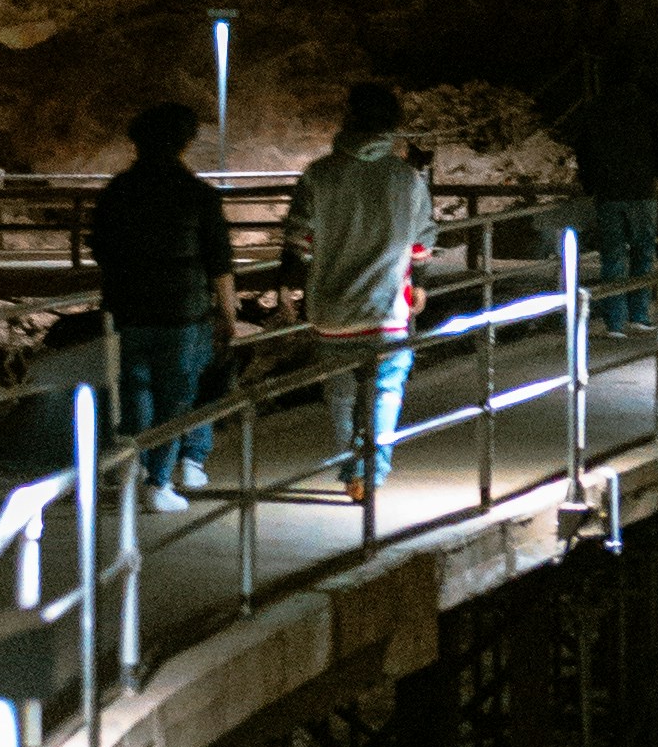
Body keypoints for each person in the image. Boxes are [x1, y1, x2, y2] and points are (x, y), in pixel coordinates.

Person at [273, 80, 436, 502]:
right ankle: (371, 469)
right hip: (387, 308)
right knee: (386, 389)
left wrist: (288, 288)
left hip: (332, 308)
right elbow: (421, 242)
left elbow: (299, 239)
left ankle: (353, 471)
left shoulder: (320, 174)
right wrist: (418, 284)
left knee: (341, 396)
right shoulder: (406, 178)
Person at [86, 100, 237, 506]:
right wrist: (227, 313)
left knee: (136, 388)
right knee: (176, 396)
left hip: (129, 307)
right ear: (184, 143)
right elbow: (219, 261)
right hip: (182, 310)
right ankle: (158, 482)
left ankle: (133, 461)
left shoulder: (117, 192)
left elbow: (100, 248)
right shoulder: (196, 194)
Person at [569, 56, 658, 348]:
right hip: (640, 190)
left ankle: (615, 321)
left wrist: (589, 181)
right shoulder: (646, 106)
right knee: (643, 253)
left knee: (612, 256)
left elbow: (583, 149)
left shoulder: (595, 109)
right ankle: (640, 314)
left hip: (609, 192)